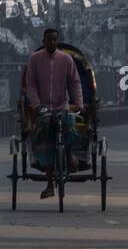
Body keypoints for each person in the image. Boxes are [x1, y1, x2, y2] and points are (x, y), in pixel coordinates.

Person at [23, 28, 83, 198]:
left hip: (62, 106)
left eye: (54, 40)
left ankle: (70, 155)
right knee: (47, 144)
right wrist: (36, 105)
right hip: (43, 109)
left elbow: (75, 82)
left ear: (57, 41)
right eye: (49, 40)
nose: (52, 43)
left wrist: (78, 103)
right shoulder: (35, 59)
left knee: (70, 127)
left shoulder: (66, 59)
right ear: (43, 41)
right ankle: (50, 185)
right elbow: (31, 84)